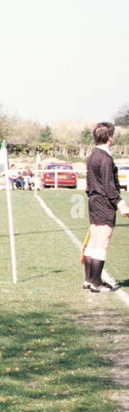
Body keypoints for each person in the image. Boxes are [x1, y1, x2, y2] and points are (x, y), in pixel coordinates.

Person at [83, 122, 129, 293]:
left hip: (94, 201)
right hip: (103, 202)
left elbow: (89, 184)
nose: (114, 137)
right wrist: (121, 204)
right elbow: (110, 187)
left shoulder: (92, 155)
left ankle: (89, 280)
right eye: (113, 134)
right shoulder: (105, 158)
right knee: (102, 242)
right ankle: (96, 283)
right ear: (109, 137)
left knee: (93, 241)